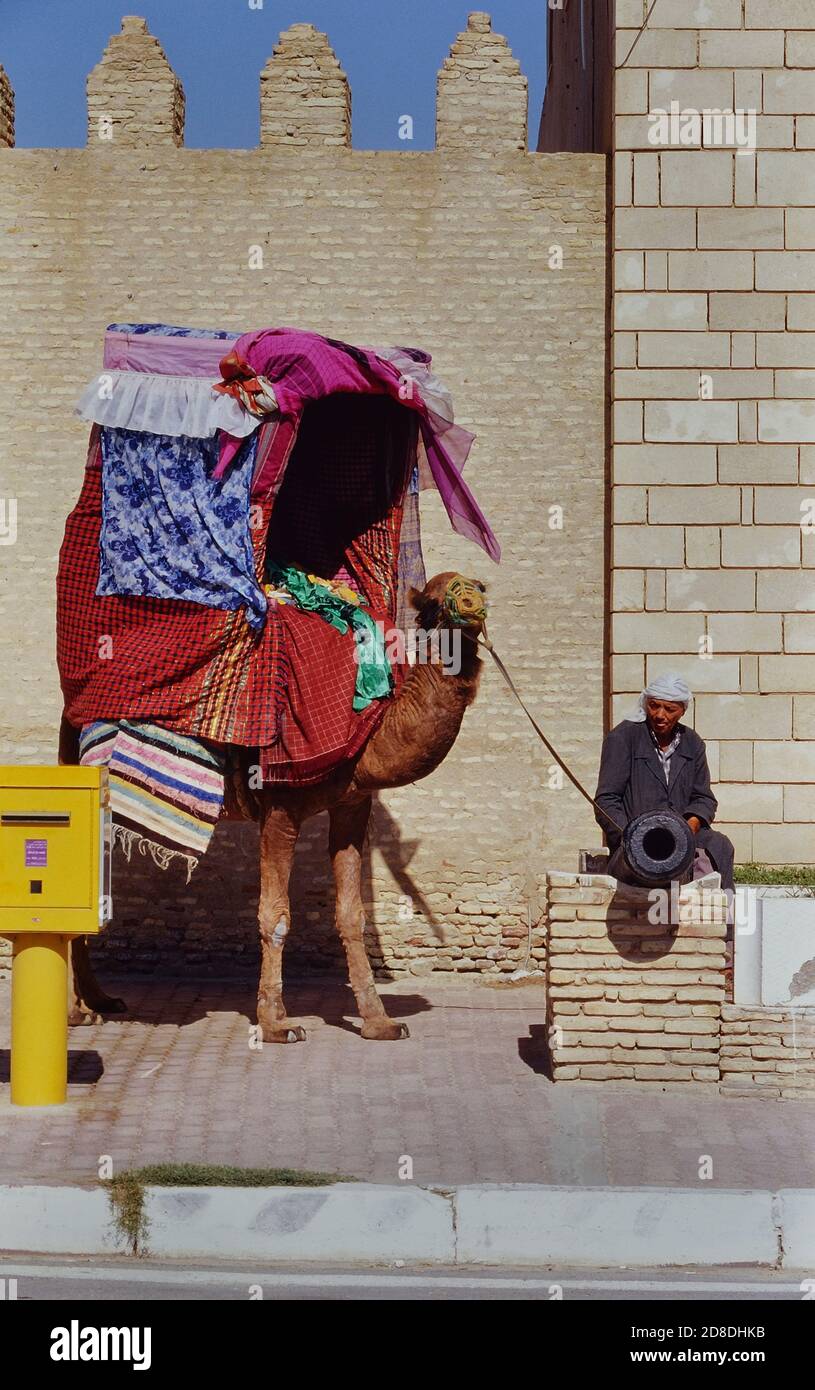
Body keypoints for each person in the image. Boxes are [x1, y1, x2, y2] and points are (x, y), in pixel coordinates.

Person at [593, 672, 735, 892]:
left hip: (683, 835)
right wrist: (631, 835)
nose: (660, 715)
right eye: (654, 706)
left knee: (719, 846)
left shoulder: (692, 743)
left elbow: (703, 798)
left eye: (669, 709)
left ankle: (718, 921)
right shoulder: (623, 738)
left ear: (682, 711)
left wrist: (684, 834)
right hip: (636, 837)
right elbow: (606, 800)